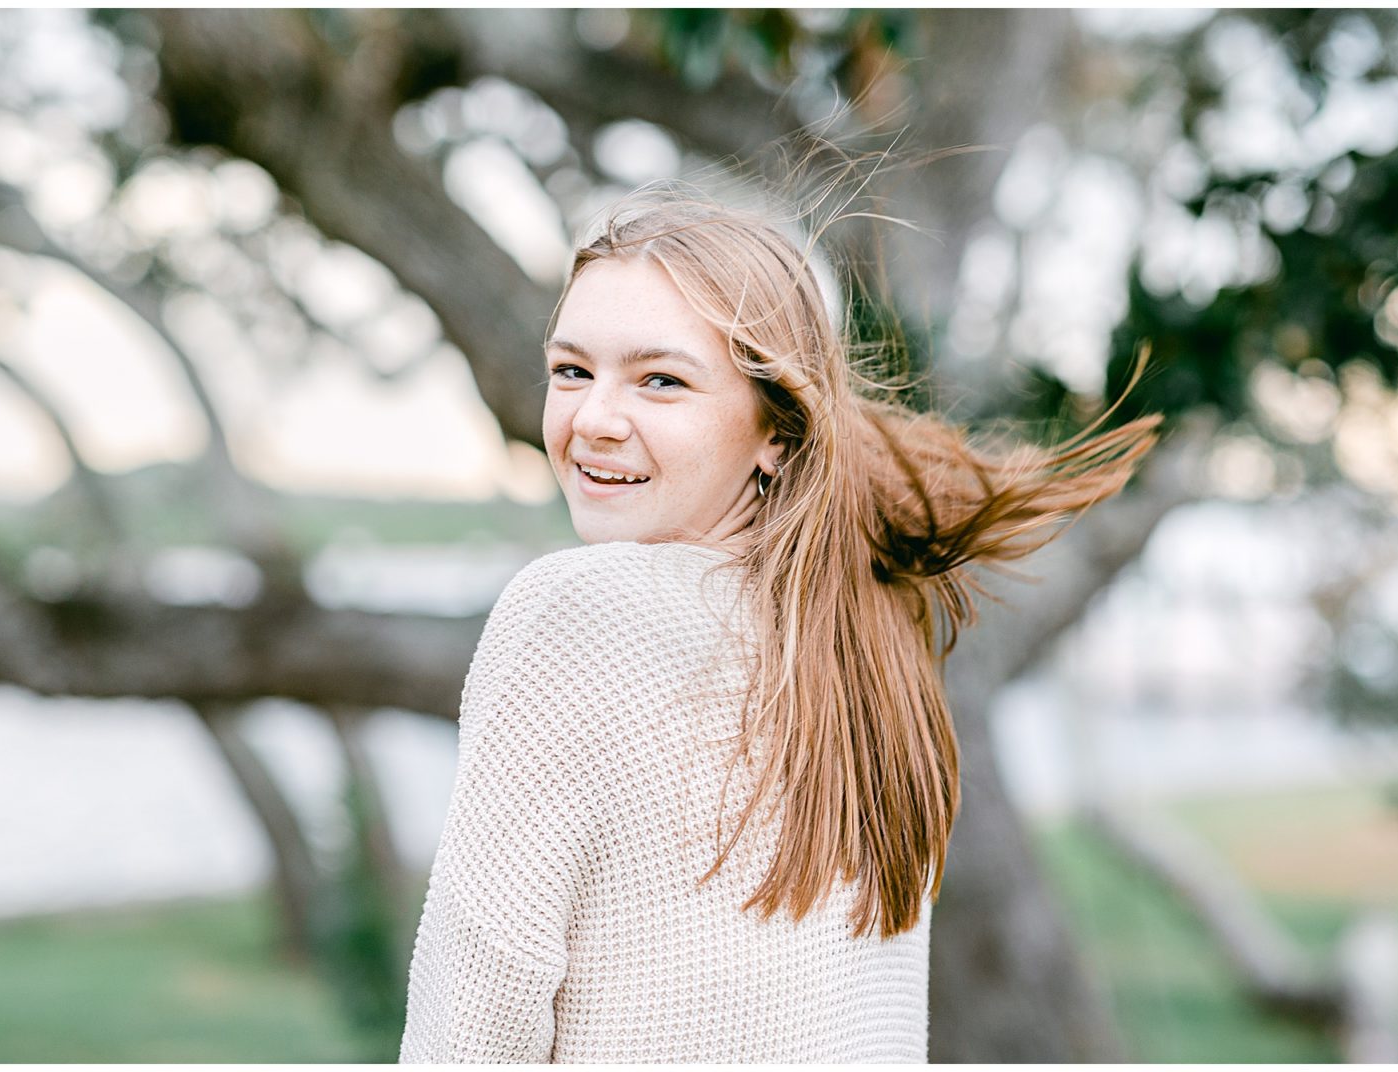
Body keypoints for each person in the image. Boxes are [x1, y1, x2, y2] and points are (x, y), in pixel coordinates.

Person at [398, 188, 1161, 1062]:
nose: (594, 420)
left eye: (661, 380)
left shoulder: (573, 613)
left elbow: (476, 1017)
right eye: (573, 370)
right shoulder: (863, 637)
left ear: (776, 431)